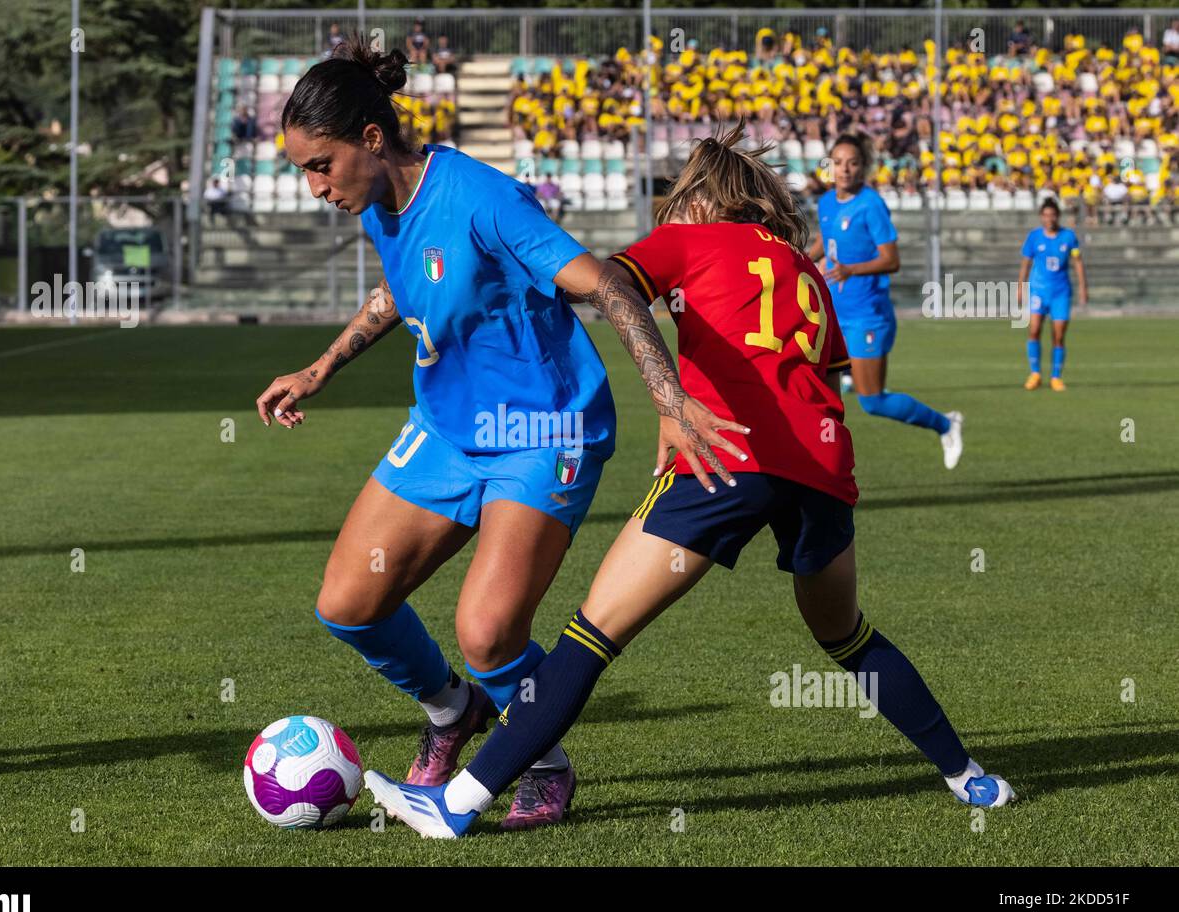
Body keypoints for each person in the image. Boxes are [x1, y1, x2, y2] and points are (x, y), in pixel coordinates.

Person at [363, 121, 1017, 838]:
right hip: (824, 468)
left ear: (703, 203)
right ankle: (966, 774)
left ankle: (454, 804)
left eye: (679, 199)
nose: (670, 213)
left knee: (591, 635)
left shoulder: (692, 239)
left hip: (726, 452)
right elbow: (826, 373)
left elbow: (607, 284)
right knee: (848, 635)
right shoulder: (804, 270)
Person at [254, 36, 744, 829]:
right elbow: (402, 288)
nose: (314, 185)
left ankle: (542, 759)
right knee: (348, 603)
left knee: (487, 634)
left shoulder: (485, 199)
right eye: (303, 169)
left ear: (371, 140)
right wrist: (320, 368)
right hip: (446, 429)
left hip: (545, 430)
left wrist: (669, 395)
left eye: (320, 164)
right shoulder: (381, 204)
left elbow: (608, 282)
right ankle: (452, 711)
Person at [810, 133, 963, 469]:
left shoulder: (871, 204)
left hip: (868, 314)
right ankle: (821, 467)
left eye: (852, 163)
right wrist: (802, 261)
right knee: (818, 393)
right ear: (830, 166)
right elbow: (827, 238)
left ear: (863, 167)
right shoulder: (826, 203)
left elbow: (891, 259)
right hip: (835, 311)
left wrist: (853, 269)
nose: (845, 169)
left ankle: (946, 424)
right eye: (838, 163)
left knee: (872, 401)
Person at [1018, 197, 1087, 391]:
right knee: (1034, 330)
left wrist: (1083, 287)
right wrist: (1020, 286)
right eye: (1046, 215)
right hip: (1038, 290)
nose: (1049, 218)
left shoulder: (1068, 237)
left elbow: (1078, 262)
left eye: (1053, 215)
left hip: (1061, 292)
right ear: (1041, 217)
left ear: (1058, 216)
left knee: (1058, 335)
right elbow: (1026, 263)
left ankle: (1056, 376)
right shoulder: (1034, 237)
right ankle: (1035, 374)